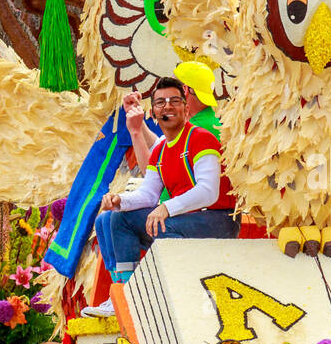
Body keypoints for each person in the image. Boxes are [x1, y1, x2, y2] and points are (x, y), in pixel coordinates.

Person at [83, 77, 237, 315]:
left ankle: (131, 295)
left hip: (218, 220)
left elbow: (209, 191)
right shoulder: (160, 149)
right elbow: (148, 194)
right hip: (185, 220)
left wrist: (166, 208)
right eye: (160, 103)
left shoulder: (201, 137)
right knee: (110, 218)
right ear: (154, 113)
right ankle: (124, 291)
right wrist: (119, 201)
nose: (167, 106)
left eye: (174, 101)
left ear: (186, 109)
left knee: (122, 220)